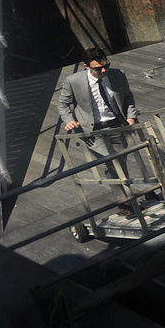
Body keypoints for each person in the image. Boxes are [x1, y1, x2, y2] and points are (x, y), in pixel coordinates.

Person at [58, 47, 141, 213]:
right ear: (86, 66)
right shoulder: (74, 81)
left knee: (121, 163)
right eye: (98, 68)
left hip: (117, 125)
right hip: (93, 131)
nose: (104, 70)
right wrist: (70, 120)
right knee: (110, 163)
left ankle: (127, 198)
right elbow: (63, 104)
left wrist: (131, 117)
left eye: (106, 66)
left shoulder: (118, 74)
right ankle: (125, 202)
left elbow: (128, 98)